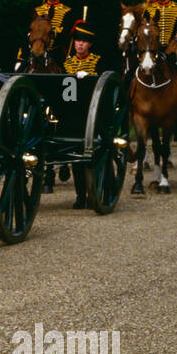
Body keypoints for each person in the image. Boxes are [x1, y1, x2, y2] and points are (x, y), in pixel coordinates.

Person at [63, 19, 104, 210]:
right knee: (76, 159)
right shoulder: (67, 64)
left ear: (90, 44)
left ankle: (94, 191)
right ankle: (80, 195)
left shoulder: (97, 62)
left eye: (84, 41)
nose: (79, 44)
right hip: (71, 116)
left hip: (92, 116)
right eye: (77, 40)